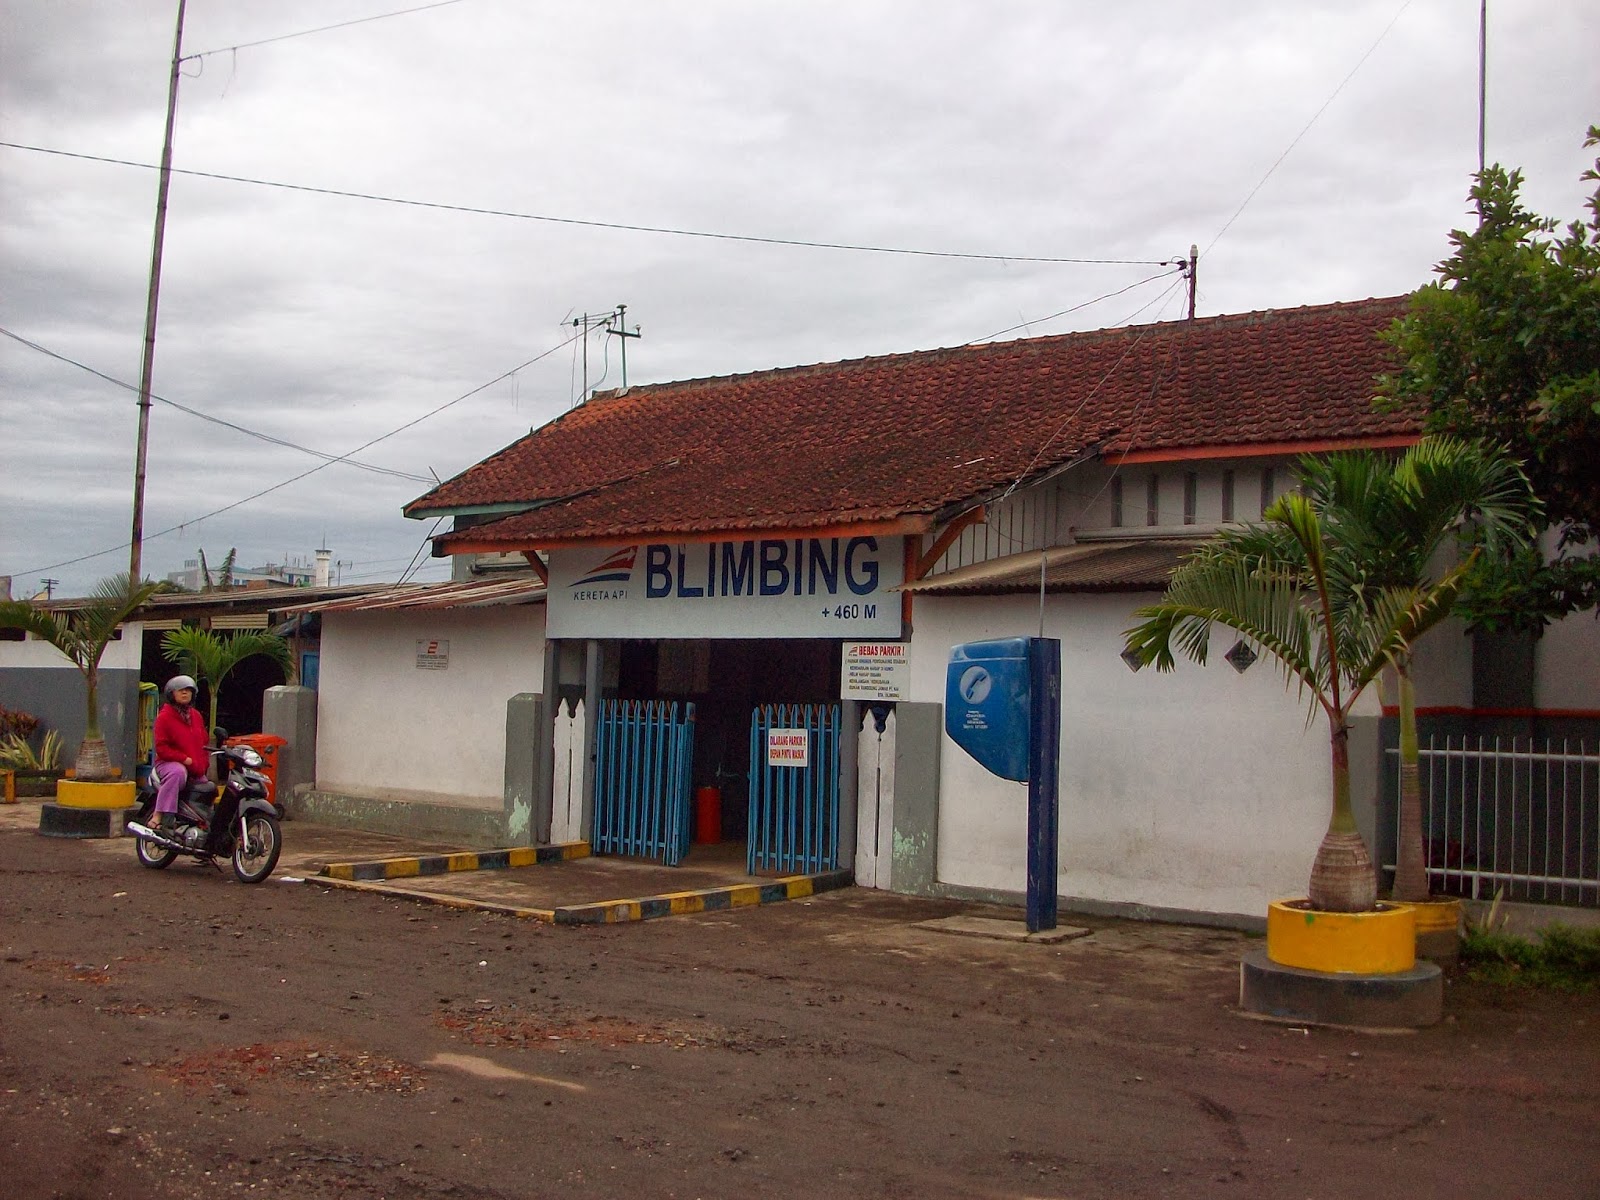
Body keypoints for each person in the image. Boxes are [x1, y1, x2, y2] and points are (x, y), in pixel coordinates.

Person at [151, 675, 208, 834]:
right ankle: (160, 814)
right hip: (168, 763)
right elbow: (161, 748)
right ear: (172, 694)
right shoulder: (164, 717)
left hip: (193, 767)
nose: (185, 693)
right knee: (178, 772)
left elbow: (202, 742)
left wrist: (202, 763)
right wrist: (184, 759)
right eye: (180, 690)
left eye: (188, 690)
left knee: (208, 789)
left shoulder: (196, 716)